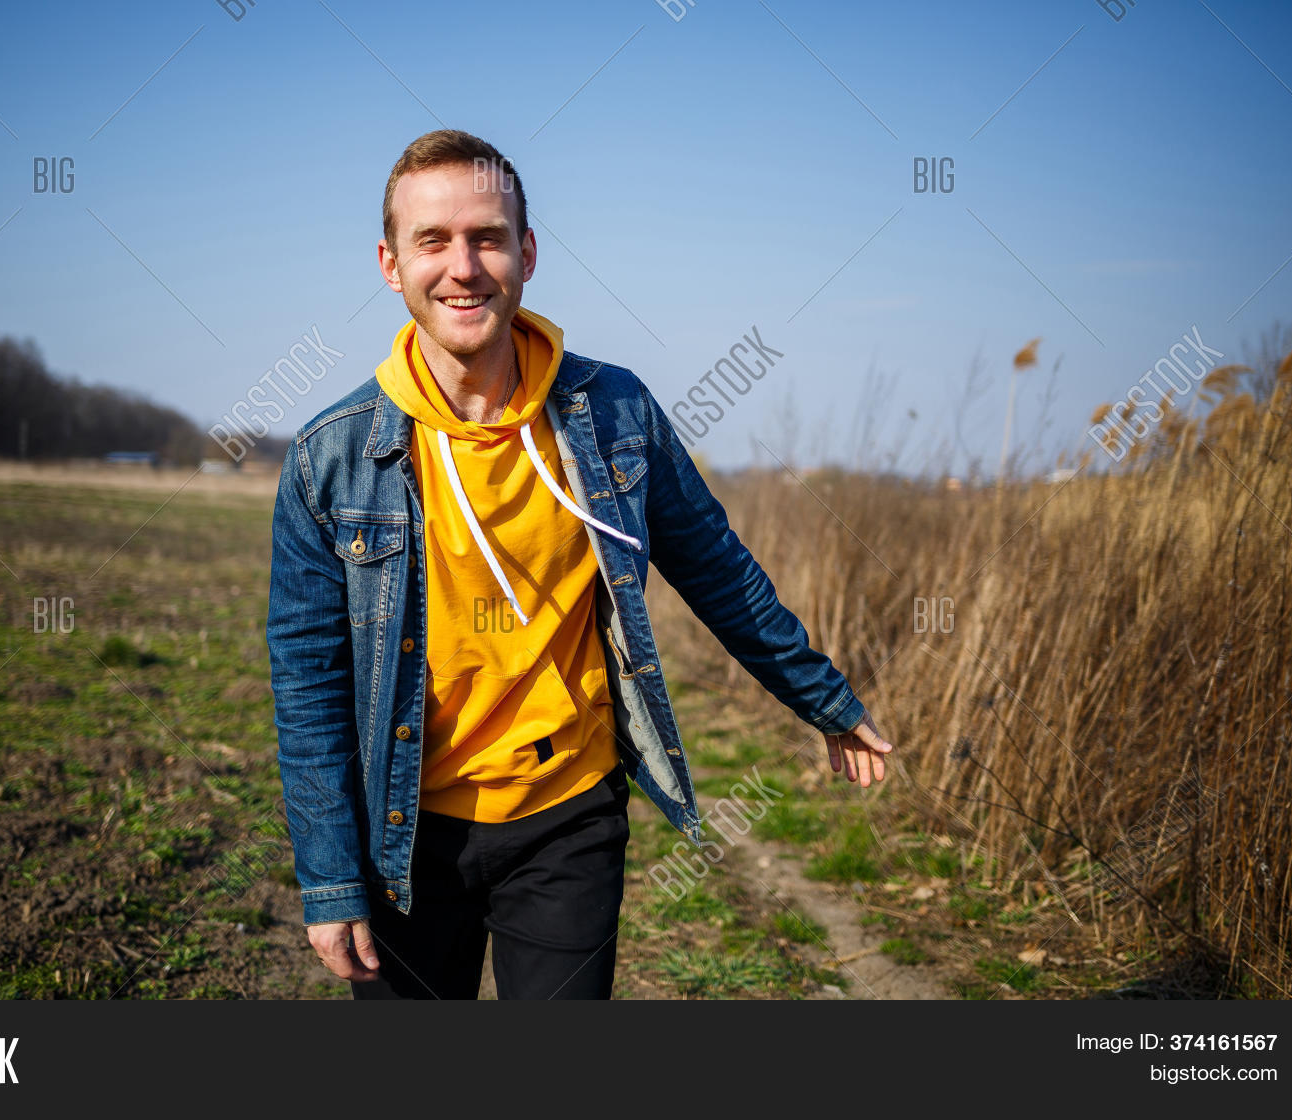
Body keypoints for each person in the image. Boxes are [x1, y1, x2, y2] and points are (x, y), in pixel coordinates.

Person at [266, 129, 894, 1000]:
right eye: (433, 241)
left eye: (488, 237)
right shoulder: (327, 457)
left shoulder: (613, 410)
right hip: (404, 834)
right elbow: (308, 680)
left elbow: (715, 567)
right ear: (389, 262)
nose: (463, 267)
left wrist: (819, 697)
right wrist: (331, 881)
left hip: (570, 818)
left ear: (526, 252)